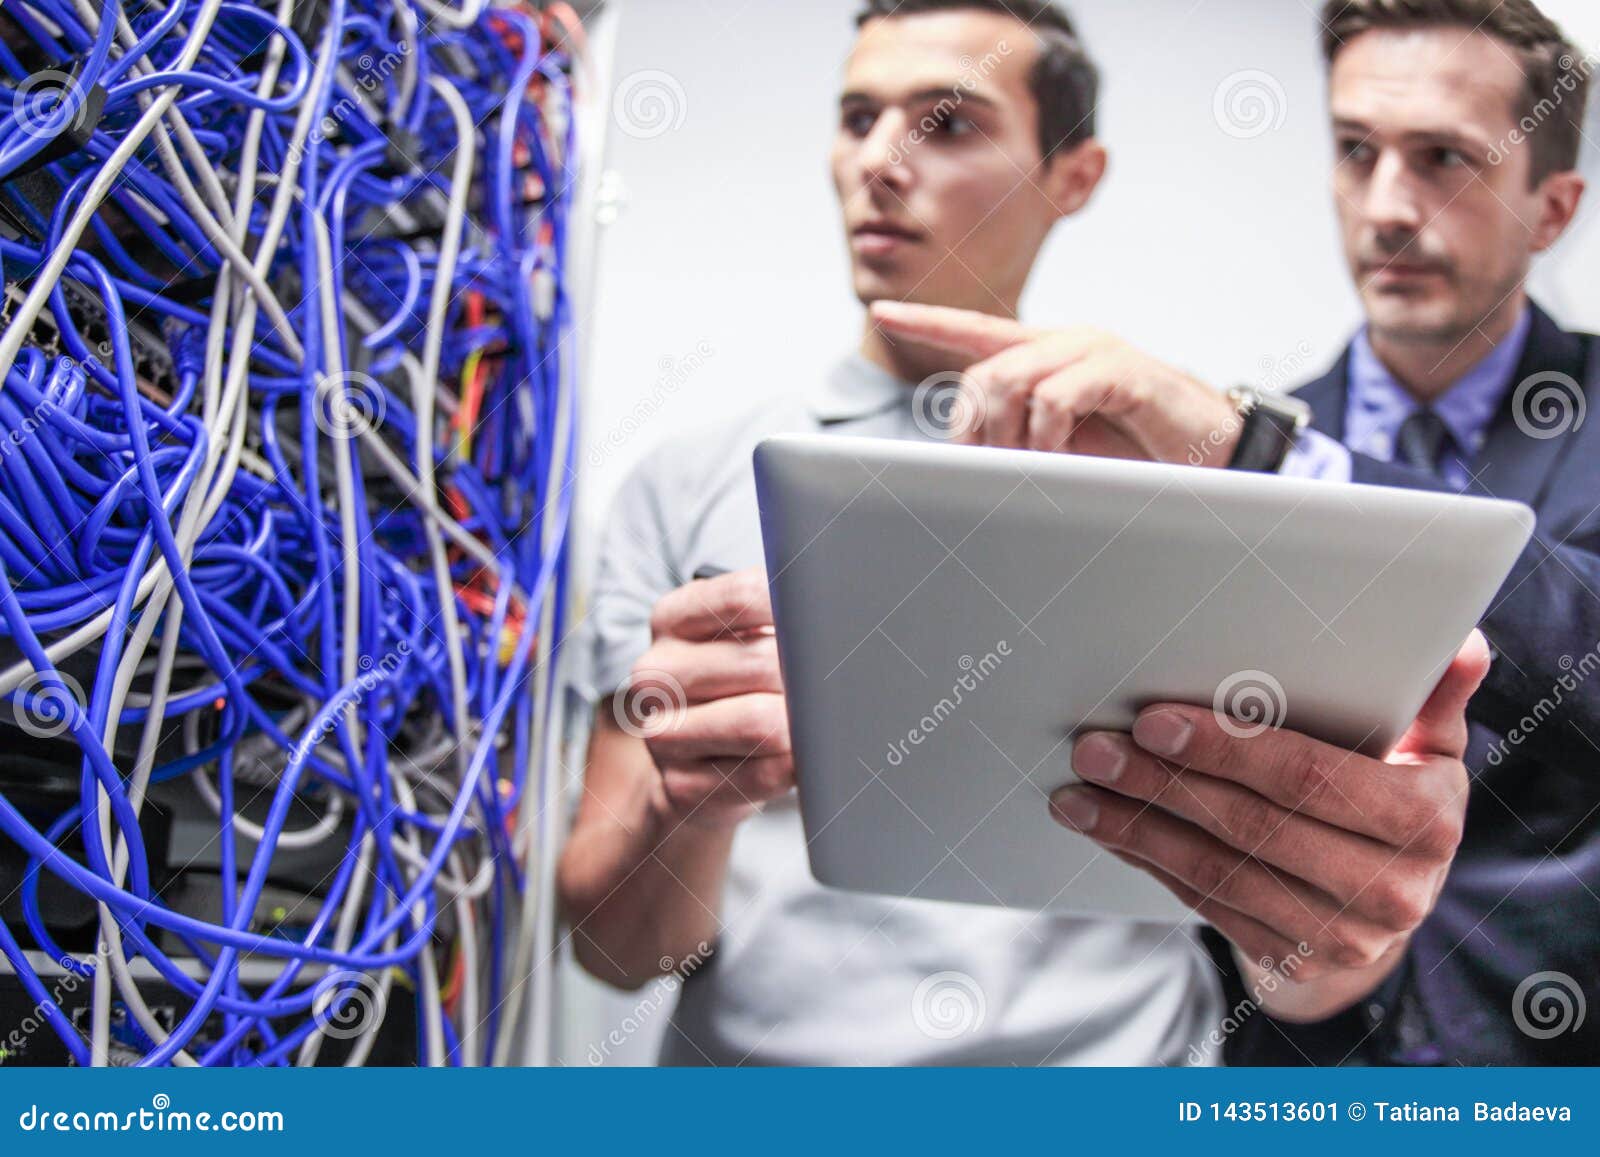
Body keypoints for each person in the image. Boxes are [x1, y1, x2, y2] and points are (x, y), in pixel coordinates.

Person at [559, 0, 1493, 1066]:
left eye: (948, 123)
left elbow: (1308, 962)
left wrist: (1350, 913)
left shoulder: (1199, 482)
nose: (880, 161)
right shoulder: (687, 481)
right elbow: (615, 949)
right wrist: (691, 812)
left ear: (1074, 175)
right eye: (858, 118)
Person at [873, 0, 1600, 1064]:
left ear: (1551, 207)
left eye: (1443, 158)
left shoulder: (1248, 453)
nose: (1387, 208)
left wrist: (1262, 456)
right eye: (1356, 151)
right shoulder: (1228, 459)